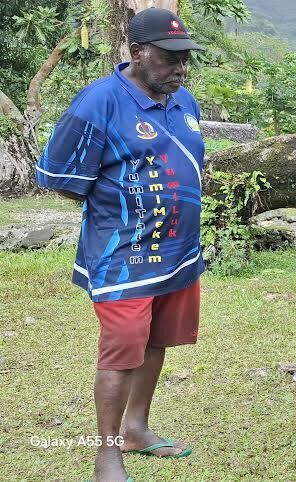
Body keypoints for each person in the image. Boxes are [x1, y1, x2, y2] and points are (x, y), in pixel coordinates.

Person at [34, 8, 206, 481]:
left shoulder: (183, 100)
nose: (180, 68)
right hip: (123, 256)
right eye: (169, 58)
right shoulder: (98, 102)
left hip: (178, 252)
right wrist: (124, 205)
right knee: (121, 353)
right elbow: (61, 178)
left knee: (156, 340)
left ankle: (136, 428)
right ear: (137, 52)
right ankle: (106, 454)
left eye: (185, 58)